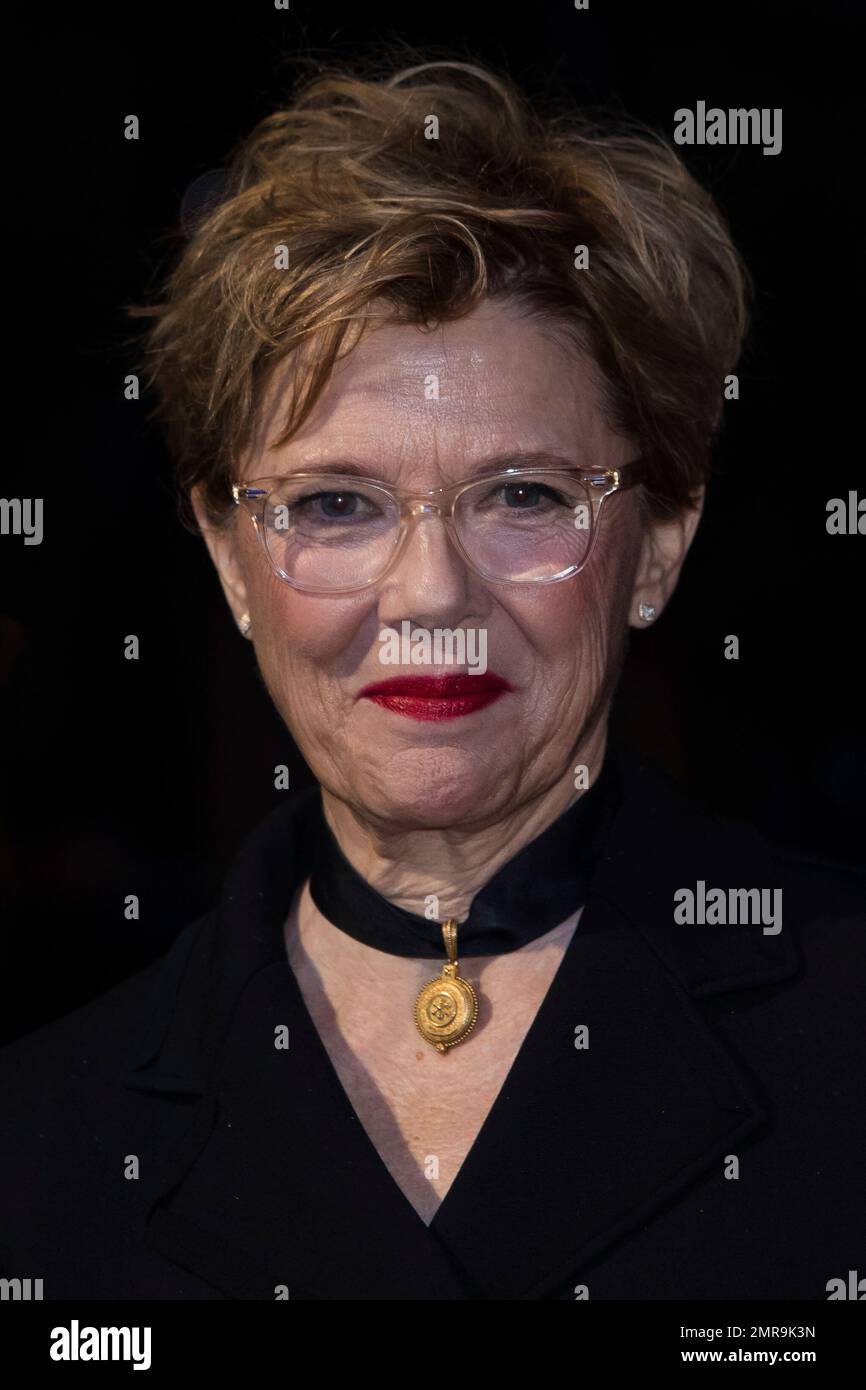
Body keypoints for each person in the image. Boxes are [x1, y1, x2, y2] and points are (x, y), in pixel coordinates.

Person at [1, 55, 863, 1302]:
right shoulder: (39, 1147)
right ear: (234, 559)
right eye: (335, 505)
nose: (429, 593)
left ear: (657, 545)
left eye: (522, 495)